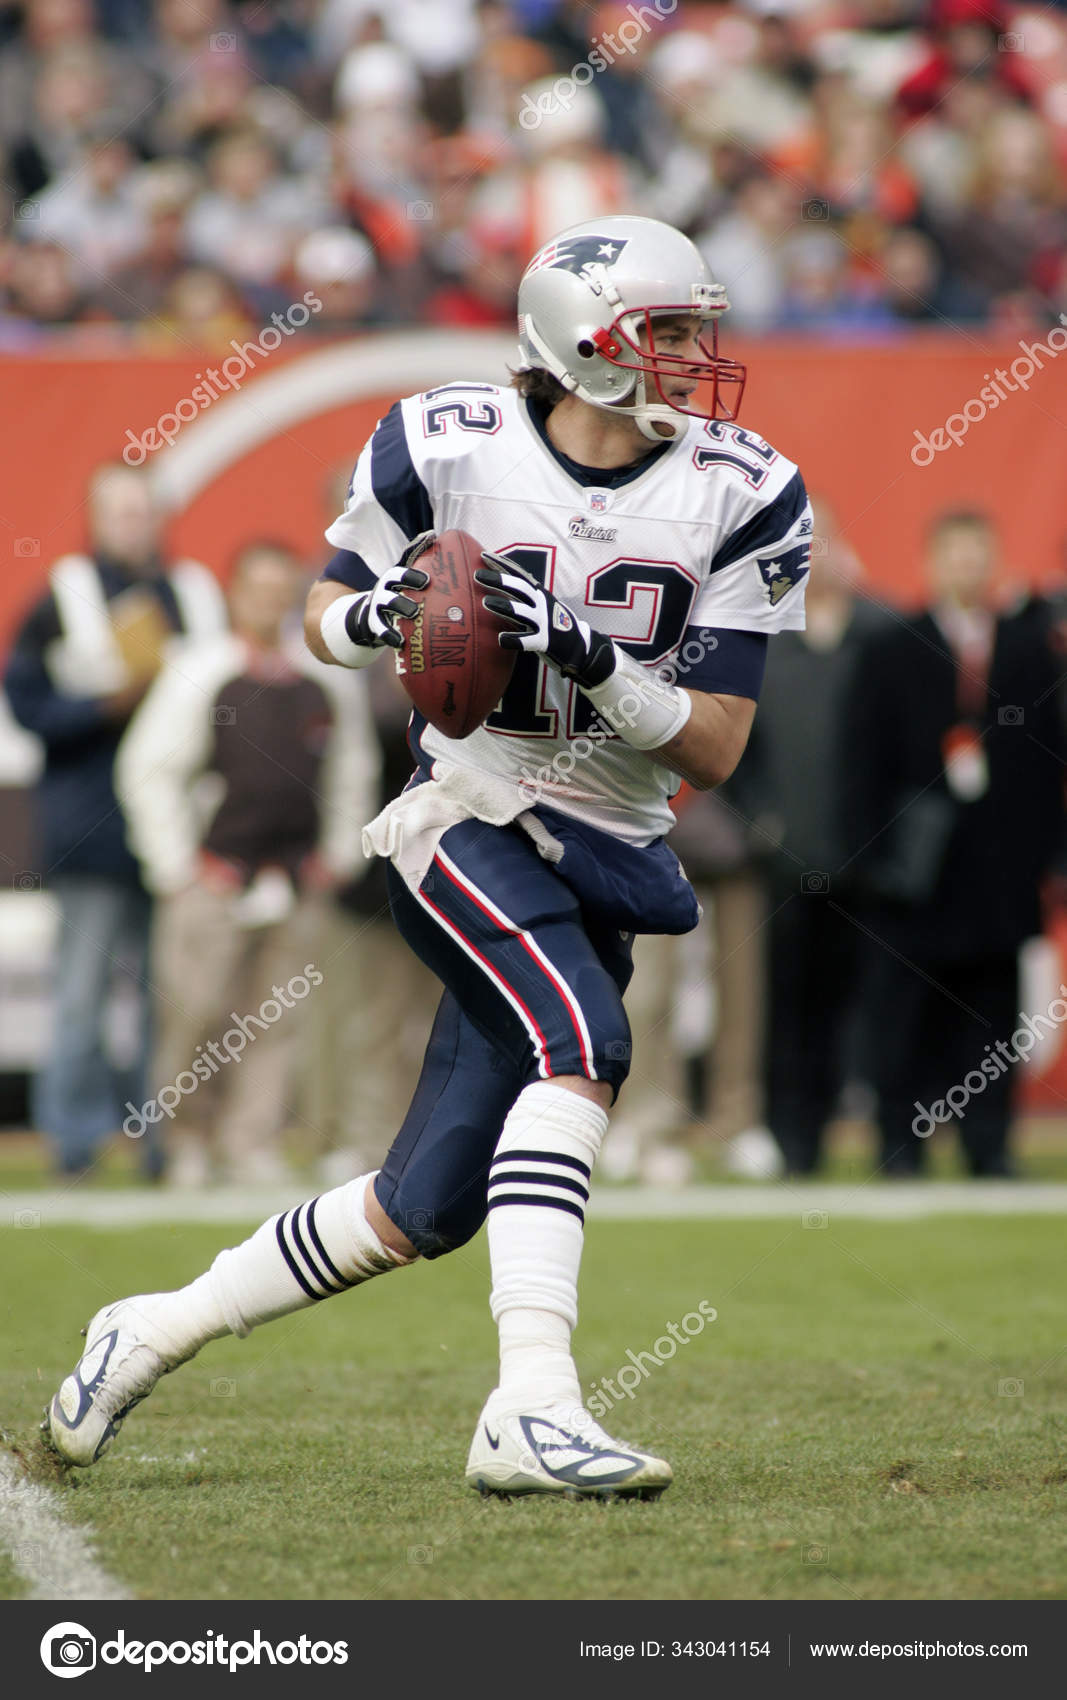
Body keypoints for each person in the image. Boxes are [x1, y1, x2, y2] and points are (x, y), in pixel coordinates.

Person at [45, 215, 812, 1498]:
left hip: (609, 841)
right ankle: (531, 1402)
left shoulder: (744, 485)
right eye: (668, 331)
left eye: (695, 329)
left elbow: (719, 743)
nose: (694, 356)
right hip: (466, 812)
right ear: (584, 342)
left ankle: (150, 1326)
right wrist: (376, 615)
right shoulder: (447, 441)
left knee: (422, 1205)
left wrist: (589, 656)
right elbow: (323, 611)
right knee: (584, 1042)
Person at [115, 541, 378, 1187]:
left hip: (293, 881)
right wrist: (177, 866)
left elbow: (352, 771)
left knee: (276, 1021)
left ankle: (250, 1142)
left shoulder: (323, 679)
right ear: (234, 594)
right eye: (257, 589)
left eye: (280, 589)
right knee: (195, 1014)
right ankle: (186, 1143)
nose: (269, 601)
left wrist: (338, 855)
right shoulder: (203, 672)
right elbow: (147, 770)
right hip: (214, 877)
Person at [4, 462, 226, 1177]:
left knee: (177, 999)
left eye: (143, 510)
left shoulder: (193, 594)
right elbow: (25, 704)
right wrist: (104, 705)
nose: (134, 524)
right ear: (96, 518)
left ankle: (167, 1144)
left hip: (178, 835)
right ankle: (74, 1146)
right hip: (90, 831)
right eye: (120, 511)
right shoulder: (61, 596)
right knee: (82, 995)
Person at [843, 509, 1064, 1176]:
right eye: (955, 554)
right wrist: (873, 856)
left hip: (1001, 868)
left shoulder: (1030, 651)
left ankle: (989, 1145)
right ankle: (900, 1143)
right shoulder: (893, 647)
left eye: (978, 554)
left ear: (993, 561)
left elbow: (1050, 760)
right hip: (916, 870)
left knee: (992, 1013)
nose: (967, 566)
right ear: (932, 562)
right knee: (905, 1011)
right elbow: (862, 760)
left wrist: (1049, 858)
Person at [726, 499, 889, 1175]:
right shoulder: (763, 638)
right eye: (806, 540)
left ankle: (892, 1140)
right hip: (789, 867)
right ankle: (795, 1141)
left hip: (873, 865)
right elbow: (733, 750)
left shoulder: (882, 634)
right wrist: (762, 820)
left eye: (827, 538)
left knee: (878, 1002)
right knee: (791, 1007)